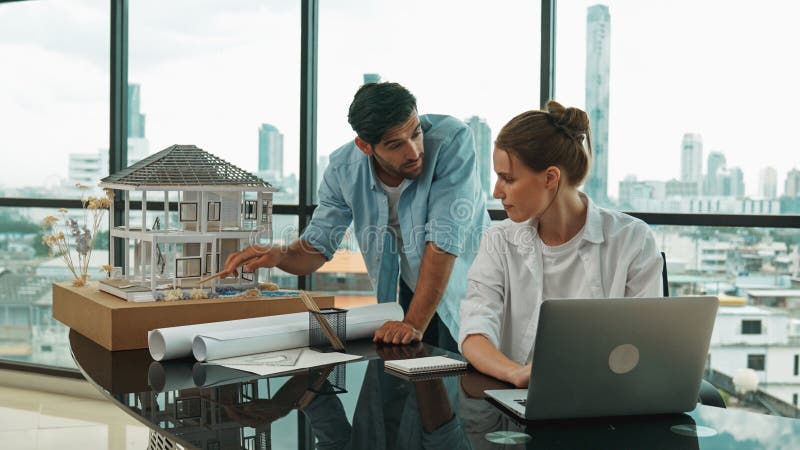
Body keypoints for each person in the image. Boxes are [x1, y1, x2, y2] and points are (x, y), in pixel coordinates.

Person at [220, 82, 489, 352]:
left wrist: (413, 323)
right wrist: (279, 255)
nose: (414, 151)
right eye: (395, 145)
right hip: (412, 283)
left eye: (416, 133)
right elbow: (316, 246)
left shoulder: (451, 140)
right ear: (365, 146)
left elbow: (443, 241)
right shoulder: (343, 170)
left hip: (472, 282)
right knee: (415, 378)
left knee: (468, 381)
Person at [459, 100, 663, 387]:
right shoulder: (499, 240)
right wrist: (515, 374)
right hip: (513, 403)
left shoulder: (632, 240)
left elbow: (645, 344)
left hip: (607, 399)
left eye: (507, 178)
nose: (496, 191)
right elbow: (474, 331)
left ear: (550, 177)